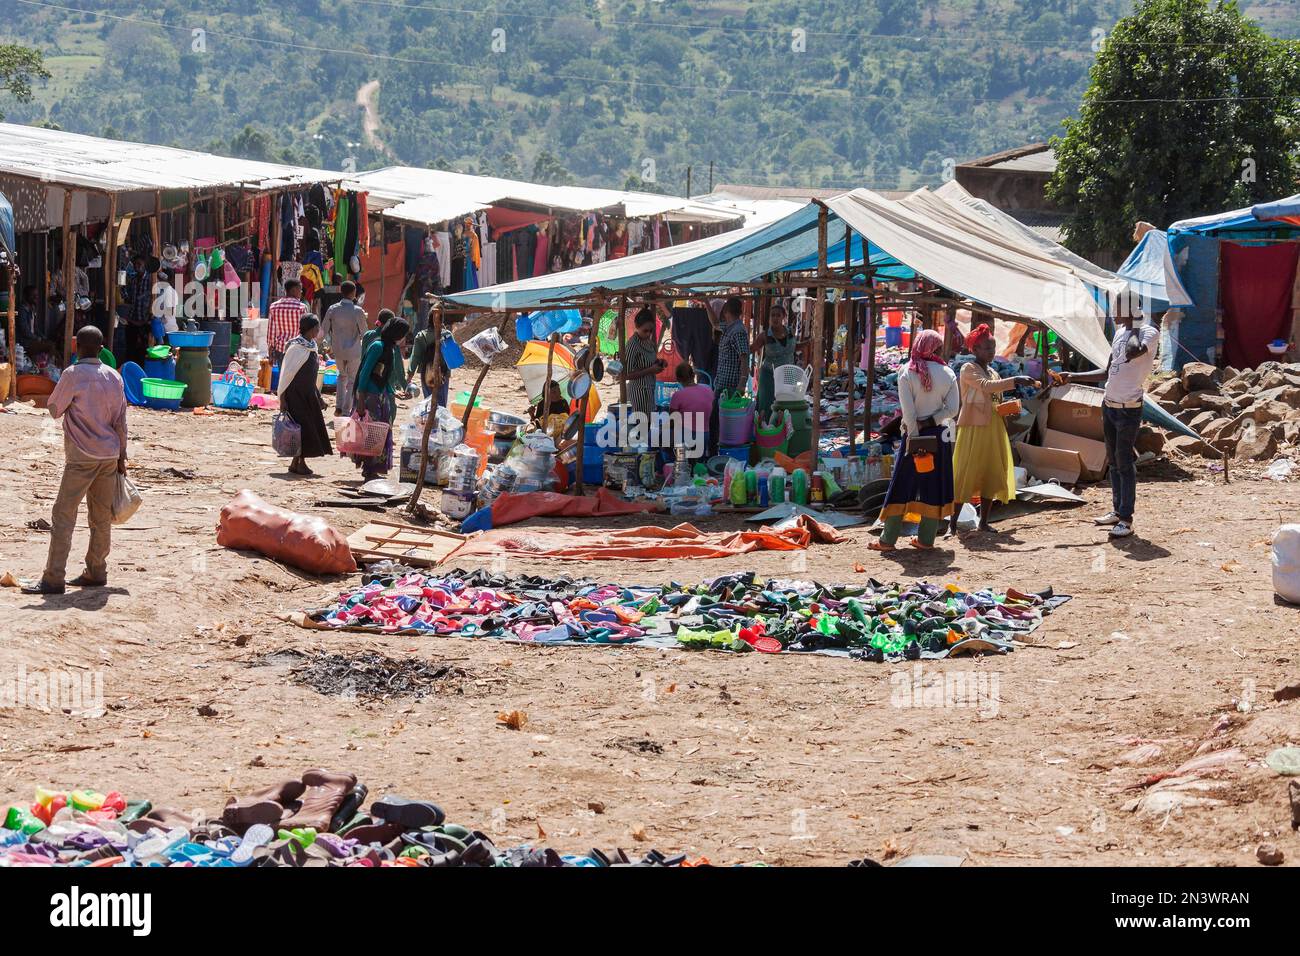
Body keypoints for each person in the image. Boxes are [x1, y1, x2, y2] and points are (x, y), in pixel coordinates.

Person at [22, 327, 128, 595]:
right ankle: (96, 571)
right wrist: (122, 456)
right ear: (102, 348)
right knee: (101, 517)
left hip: (82, 455)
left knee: (64, 515)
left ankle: (54, 578)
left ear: (76, 346)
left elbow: (55, 410)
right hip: (109, 455)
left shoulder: (72, 374)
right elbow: (121, 422)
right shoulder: (114, 377)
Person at [1058, 310, 1160, 539]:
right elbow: (1106, 371)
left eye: (1119, 308)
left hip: (1129, 408)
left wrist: (1134, 324)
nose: (1114, 314)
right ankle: (1117, 510)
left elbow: (1133, 352)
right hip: (1110, 405)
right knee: (1113, 462)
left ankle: (1127, 520)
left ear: (1133, 309)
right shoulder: (1120, 332)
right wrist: (1072, 376)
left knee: (1124, 462)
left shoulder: (1148, 332)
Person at [870, 329, 960, 552]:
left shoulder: (906, 372)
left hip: (912, 436)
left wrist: (915, 434)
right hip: (938, 437)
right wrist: (931, 421)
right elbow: (953, 409)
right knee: (932, 487)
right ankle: (926, 540)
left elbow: (909, 414)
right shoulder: (948, 373)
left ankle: (887, 540)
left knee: (902, 485)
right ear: (937, 349)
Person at [950, 324, 1036, 535]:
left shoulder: (994, 372)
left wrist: (1010, 408)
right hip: (973, 428)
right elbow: (986, 387)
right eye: (986, 348)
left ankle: (984, 522)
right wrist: (1016, 380)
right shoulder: (968, 369)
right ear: (975, 350)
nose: (991, 352)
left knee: (990, 471)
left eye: (992, 348)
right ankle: (952, 526)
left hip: (994, 426)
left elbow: (995, 398)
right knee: (965, 473)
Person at [353, 316, 409, 480]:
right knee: (371, 433)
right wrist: (361, 398)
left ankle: (372, 468)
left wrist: (392, 391)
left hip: (381, 395)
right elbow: (364, 372)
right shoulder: (377, 346)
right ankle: (369, 470)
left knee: (380, 432)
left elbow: (384, 376)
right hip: (370, 396)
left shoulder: (389, 348)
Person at [277, 314, 333, 476]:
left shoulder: (312, 346)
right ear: (310, 328)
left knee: (307, 428)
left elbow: (312, 376)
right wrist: (282, 399)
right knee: (302, 428)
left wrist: (319, 396)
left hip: (309, 394)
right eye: (316, 327)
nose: (318, 330)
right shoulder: (296, 348)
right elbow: (286, 375)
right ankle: (300, 463)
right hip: (295, 395)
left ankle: (296, 463)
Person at [321, 280, 370, 417]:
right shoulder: (358, 311)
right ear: (354, 293)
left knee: (341, 377)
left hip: (337, 350)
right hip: (354, 351)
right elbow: (365, 333)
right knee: (352, 380)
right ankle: (346, 411)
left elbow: (323, 330)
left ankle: (338, 407)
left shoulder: (333, 309)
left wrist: (321, 345)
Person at [711, 296, 750, 454]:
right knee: (717, 421)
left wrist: (742, 382)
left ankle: (721, 453)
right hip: (722, 383)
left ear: (726, 311)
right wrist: (707, 302)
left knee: (724, 423)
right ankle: (716, 452)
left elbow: (744, 357)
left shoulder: (738, 331)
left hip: (731, 385)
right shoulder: (729, 328)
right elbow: (714, 323)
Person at [753, 304, 796, 418]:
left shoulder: (791, 332)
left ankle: (783, 432)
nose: (775, 318)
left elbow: (793, 349)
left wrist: (810, 342)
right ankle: (765, 432)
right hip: (769, 376)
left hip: (787, 375)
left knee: (785, 406)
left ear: (784, 317)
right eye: (773, 315)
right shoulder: (765, 336)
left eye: (778, 315)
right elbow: (752, 348)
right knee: (766, 406)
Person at [623, 307, 665, 423]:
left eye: (651, 330)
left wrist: (659, 363)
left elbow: (649, 362)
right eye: (645, 331)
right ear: (637, 326)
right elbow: (626, 374)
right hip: (638, 392)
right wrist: (650, 370)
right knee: (640, 427)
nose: (648, 334)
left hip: (650, 389)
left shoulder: (649, 342)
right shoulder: (632, 345)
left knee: (648, 426)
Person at [668, 362, 714, 457]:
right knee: (698, 466)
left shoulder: (678, 396)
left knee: (660, 439)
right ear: (693, 375)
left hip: (686, 437)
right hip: (705, 435)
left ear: (678, 379)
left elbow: (672, 422)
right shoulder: (708, 390)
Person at [407, 321, 451, 408]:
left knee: (428, 401)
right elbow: (451, 354)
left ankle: (430, 420)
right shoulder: (447, 334)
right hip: (443, 373)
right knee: (441, 404)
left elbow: (415, 357)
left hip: (426, 374)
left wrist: (410, 375)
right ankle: (438, 420)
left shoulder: (421, 336)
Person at [267, 279, 308, 366]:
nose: (301, 292)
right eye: (299, 289)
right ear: (293, 290)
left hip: (281, 349)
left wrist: (270, 353)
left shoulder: (274, 306)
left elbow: (271, 333)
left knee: (283, 376)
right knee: (296, 377)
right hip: (298, 349)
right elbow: (305, 331)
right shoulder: (302, 307)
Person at [123, 254, 153, 366]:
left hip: (144, 320)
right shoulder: (133, 280)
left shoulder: (150, 280)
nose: (137, 266)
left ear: (144, 265)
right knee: (130, 348)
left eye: (139, 264)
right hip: (133, 319)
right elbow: (130, 298)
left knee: (143, 350)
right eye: (135, 264)